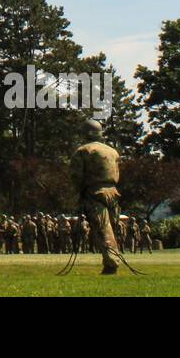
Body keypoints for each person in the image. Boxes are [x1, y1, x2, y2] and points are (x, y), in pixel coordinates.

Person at [70, 117, 123, 274]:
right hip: (113, 192)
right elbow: (117, 173)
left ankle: (111, 263)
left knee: (102, 229)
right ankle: (113, 260)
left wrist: (78, 194)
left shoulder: (83, 151)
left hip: (94, 193)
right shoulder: (112, 151)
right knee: (111, 227)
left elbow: (76, 176)